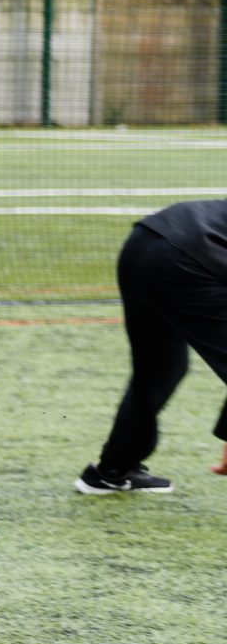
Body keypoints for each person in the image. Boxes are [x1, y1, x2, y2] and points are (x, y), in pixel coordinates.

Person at [78, 197, 227, 492]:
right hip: (189, 255)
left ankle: (112, 470)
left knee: (161, 369)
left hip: (145, 239)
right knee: (159, 368)